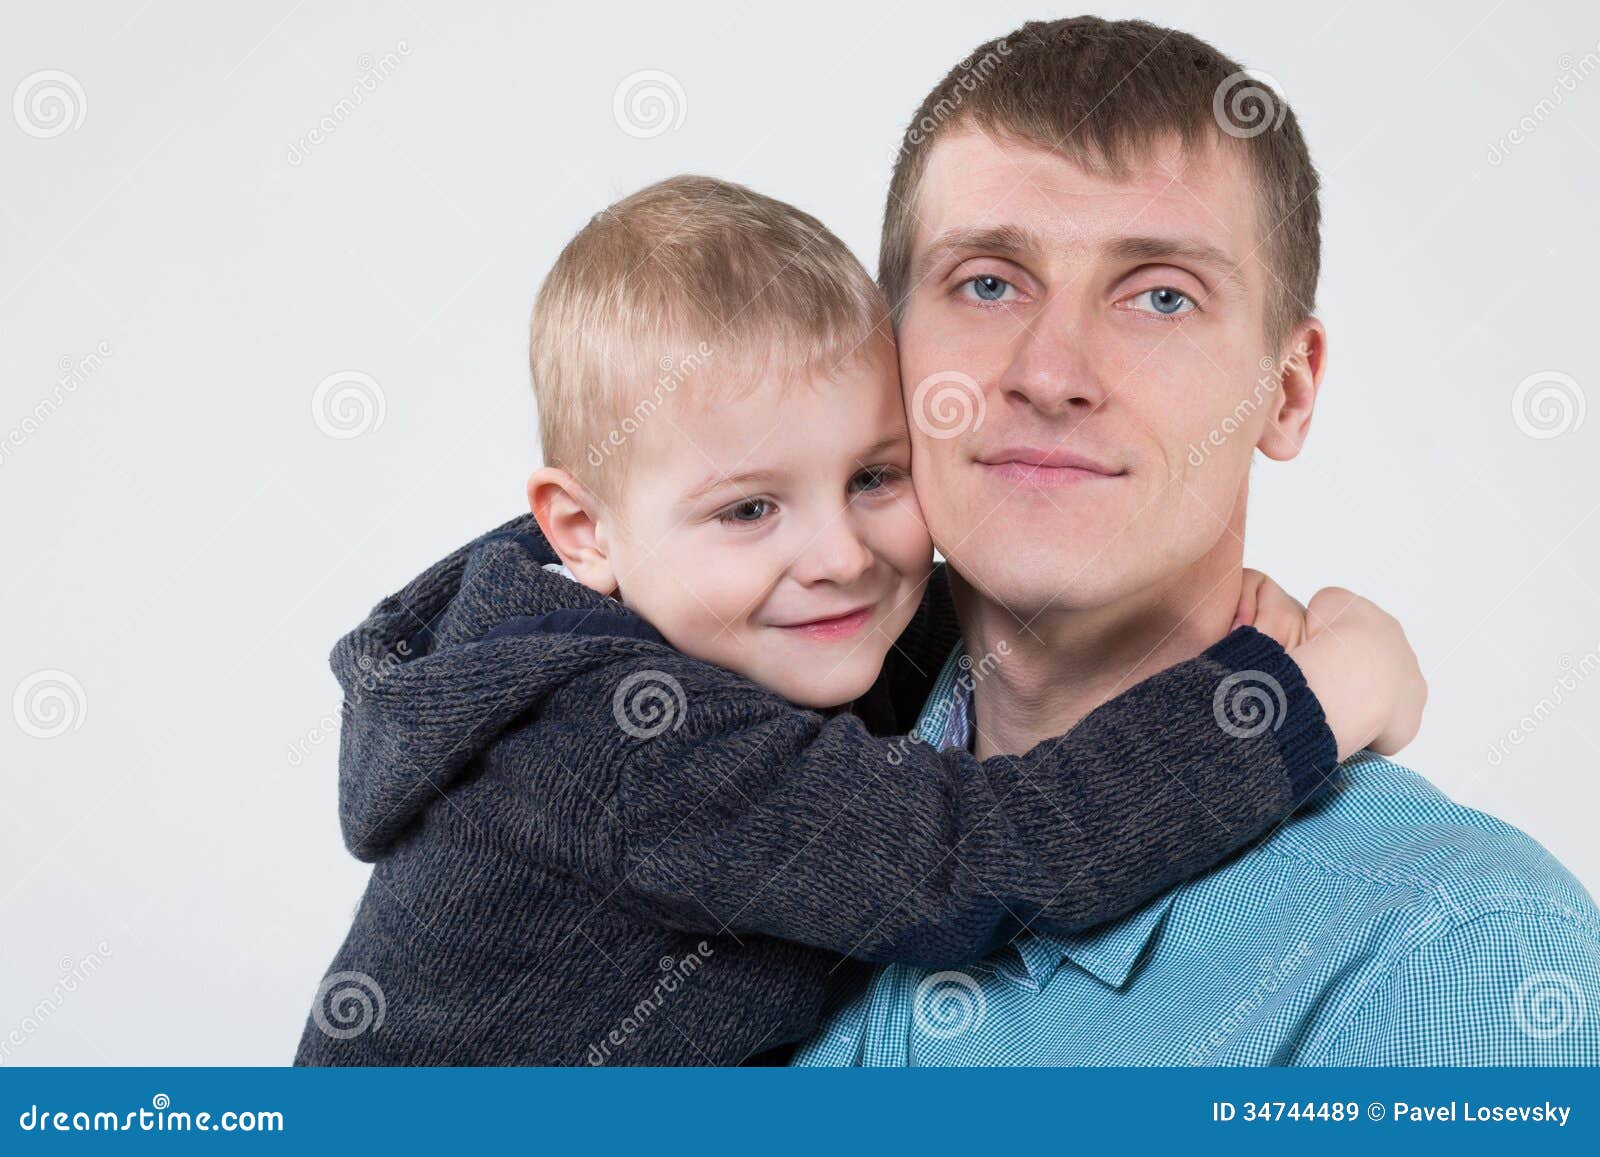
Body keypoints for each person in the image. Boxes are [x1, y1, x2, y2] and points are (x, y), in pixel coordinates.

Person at [295, 174, 1424, 1066]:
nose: (838, 556)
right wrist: (1313, 696)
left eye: (877, 478)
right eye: (749, 508)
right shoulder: (624, 745)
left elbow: (903, 630)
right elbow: (987, 852)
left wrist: (1155, 612)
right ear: (583, 530)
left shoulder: (696, 620)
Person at [791, 16, 1600, 1066]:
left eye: (1161, 295)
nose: (1050, 371)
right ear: (883, 350)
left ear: (1289, 389)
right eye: (987, 281)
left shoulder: (1454, 956)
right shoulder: (726, 783)